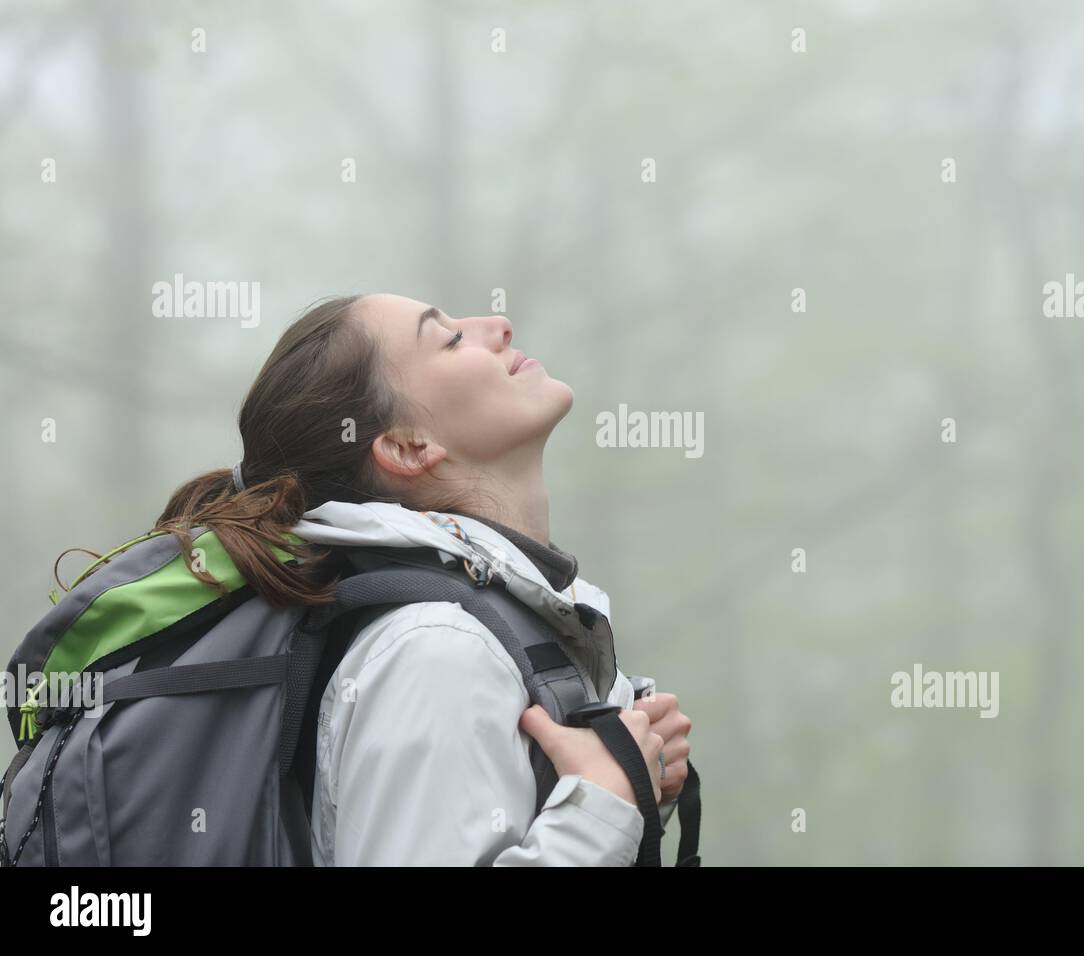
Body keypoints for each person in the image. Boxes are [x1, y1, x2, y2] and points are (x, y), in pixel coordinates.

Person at [153, 293, 693, 865]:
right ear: (409, 447)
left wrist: (635, 778)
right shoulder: (437, 651)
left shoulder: (482, 621)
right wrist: (602, 804)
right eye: (451, 338)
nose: (499, 326)